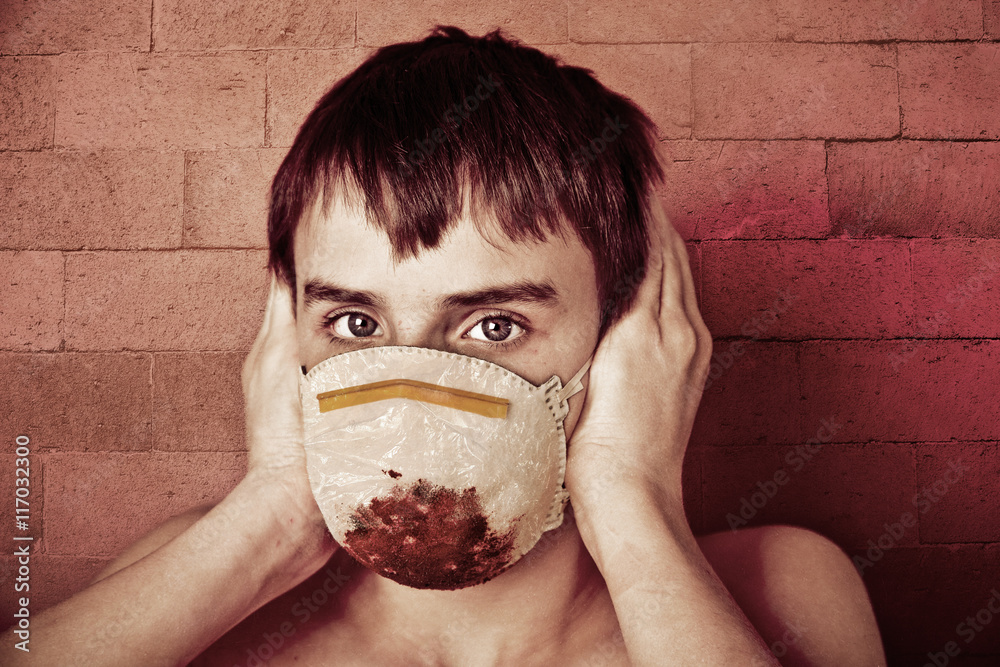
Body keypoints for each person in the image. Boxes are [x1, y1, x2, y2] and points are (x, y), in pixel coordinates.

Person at [2, 26, 885, 665]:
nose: (407, 389)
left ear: (630, 340)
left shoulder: (781, 591)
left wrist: (632, 497)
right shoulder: (198, 588)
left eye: (495, 325)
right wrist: (274, 513)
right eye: (355, 322)